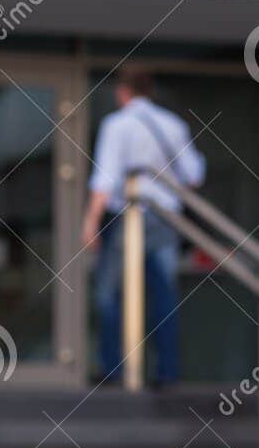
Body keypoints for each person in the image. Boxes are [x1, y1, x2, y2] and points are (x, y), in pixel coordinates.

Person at [80, 65, 207, 389]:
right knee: (163, 292)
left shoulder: (117, 124)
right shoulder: (172, 124)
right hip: (166, 216)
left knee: (109, 292)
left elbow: (106, 176)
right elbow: (193, 174)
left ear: (123, 93)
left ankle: (114, 368)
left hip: (131, 216)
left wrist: (91, 221)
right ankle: (167, 372)